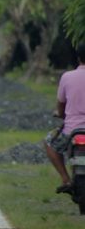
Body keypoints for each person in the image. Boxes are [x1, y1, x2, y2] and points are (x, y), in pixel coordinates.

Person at [43, 43, 85, 195]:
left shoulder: (67, 77)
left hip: (71, 131)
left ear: (78, 57)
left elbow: (61, 105)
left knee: (49, 142)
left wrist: (60, 114)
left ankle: (65, 179)